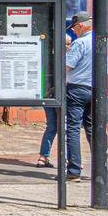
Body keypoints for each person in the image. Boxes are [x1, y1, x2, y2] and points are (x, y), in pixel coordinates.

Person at [37, 20, 76, 167]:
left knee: (52, 126)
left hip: (48, 94)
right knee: (66, 127)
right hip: (61, 94)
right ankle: (69, 159)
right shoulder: (67, 59)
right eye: (68, 44)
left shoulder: (49, 58)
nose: (70, 46)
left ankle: (43, 157)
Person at [63, 11, 96, 180]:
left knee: (74, 128)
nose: (73, 32)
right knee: (92, 129)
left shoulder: (80, 42)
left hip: (77, 89)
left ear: (80, 26)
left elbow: (67, 66)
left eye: (74, 28)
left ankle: (74, 170)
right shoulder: (105, 42)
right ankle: (100, 167)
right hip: (97, 90)